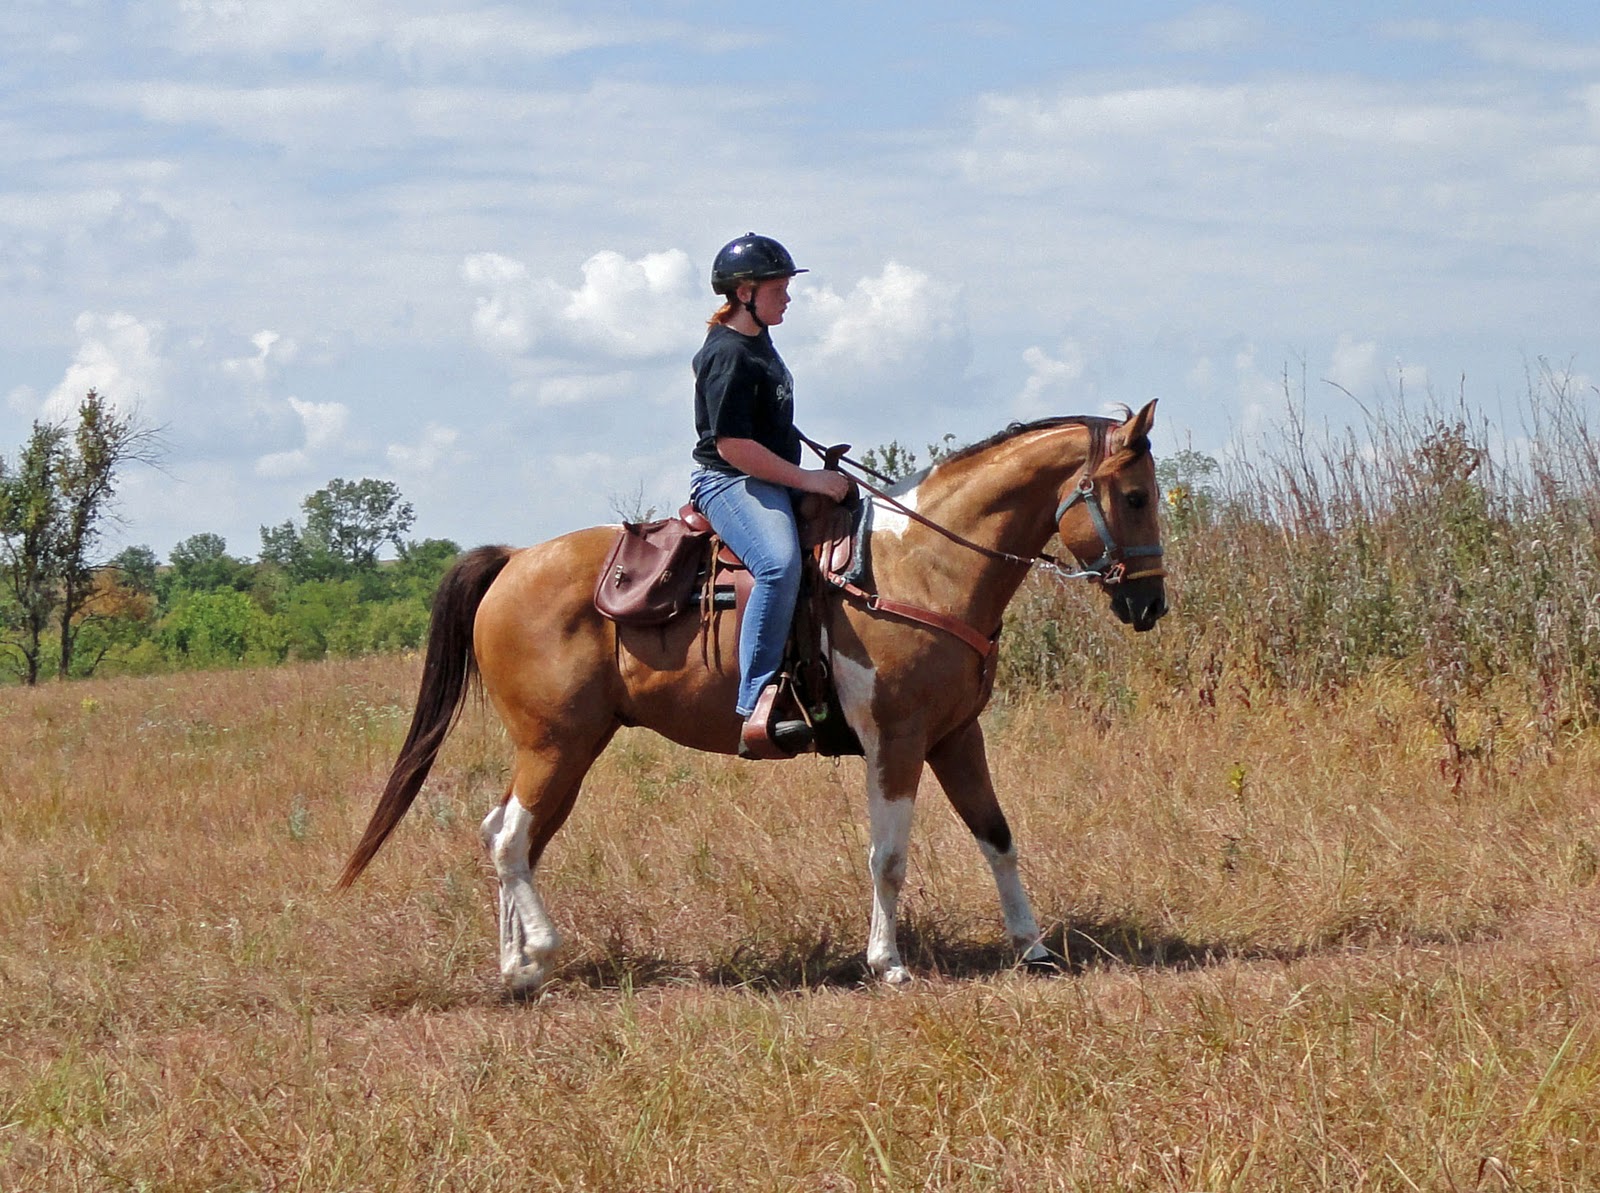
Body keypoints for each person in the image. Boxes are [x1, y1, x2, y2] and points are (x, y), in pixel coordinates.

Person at [688, 233, 851, 759]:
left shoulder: (759, 343)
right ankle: (757, 702)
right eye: (779, 287)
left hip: (768, 477)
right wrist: (807, 481)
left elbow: (763, 424)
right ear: (744, 292)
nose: (788, 297)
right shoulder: (729, 354)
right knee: (779, 565)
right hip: (730, 482)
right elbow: (733, 445)